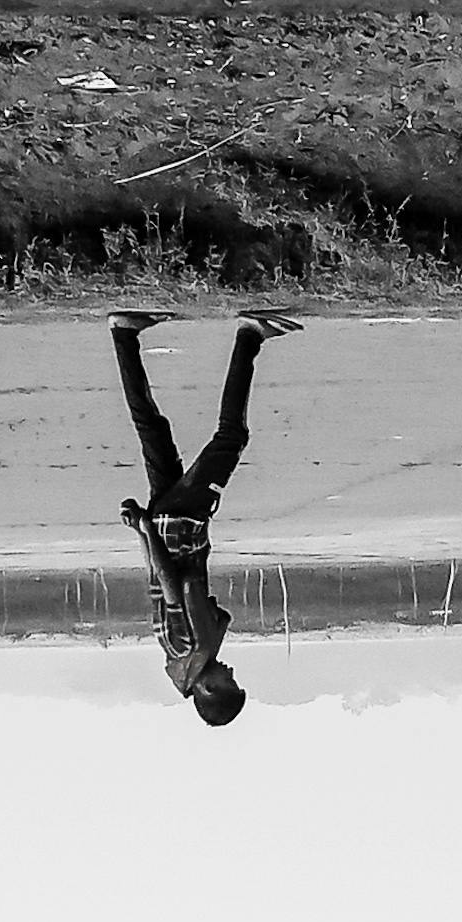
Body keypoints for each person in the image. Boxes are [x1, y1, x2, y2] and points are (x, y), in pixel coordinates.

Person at [109, 307, 300, 724]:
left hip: (180, 523)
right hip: (169, 522)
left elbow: (169, 583)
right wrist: (144, 528)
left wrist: (144, 529)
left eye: (231, 681)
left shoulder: (186, 648)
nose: (232, 672)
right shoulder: (183, 658)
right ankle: (123, 334)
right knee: (152, 429)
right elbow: (160, 588)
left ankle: (250, 334)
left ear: (209, 689)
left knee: (231, 437)